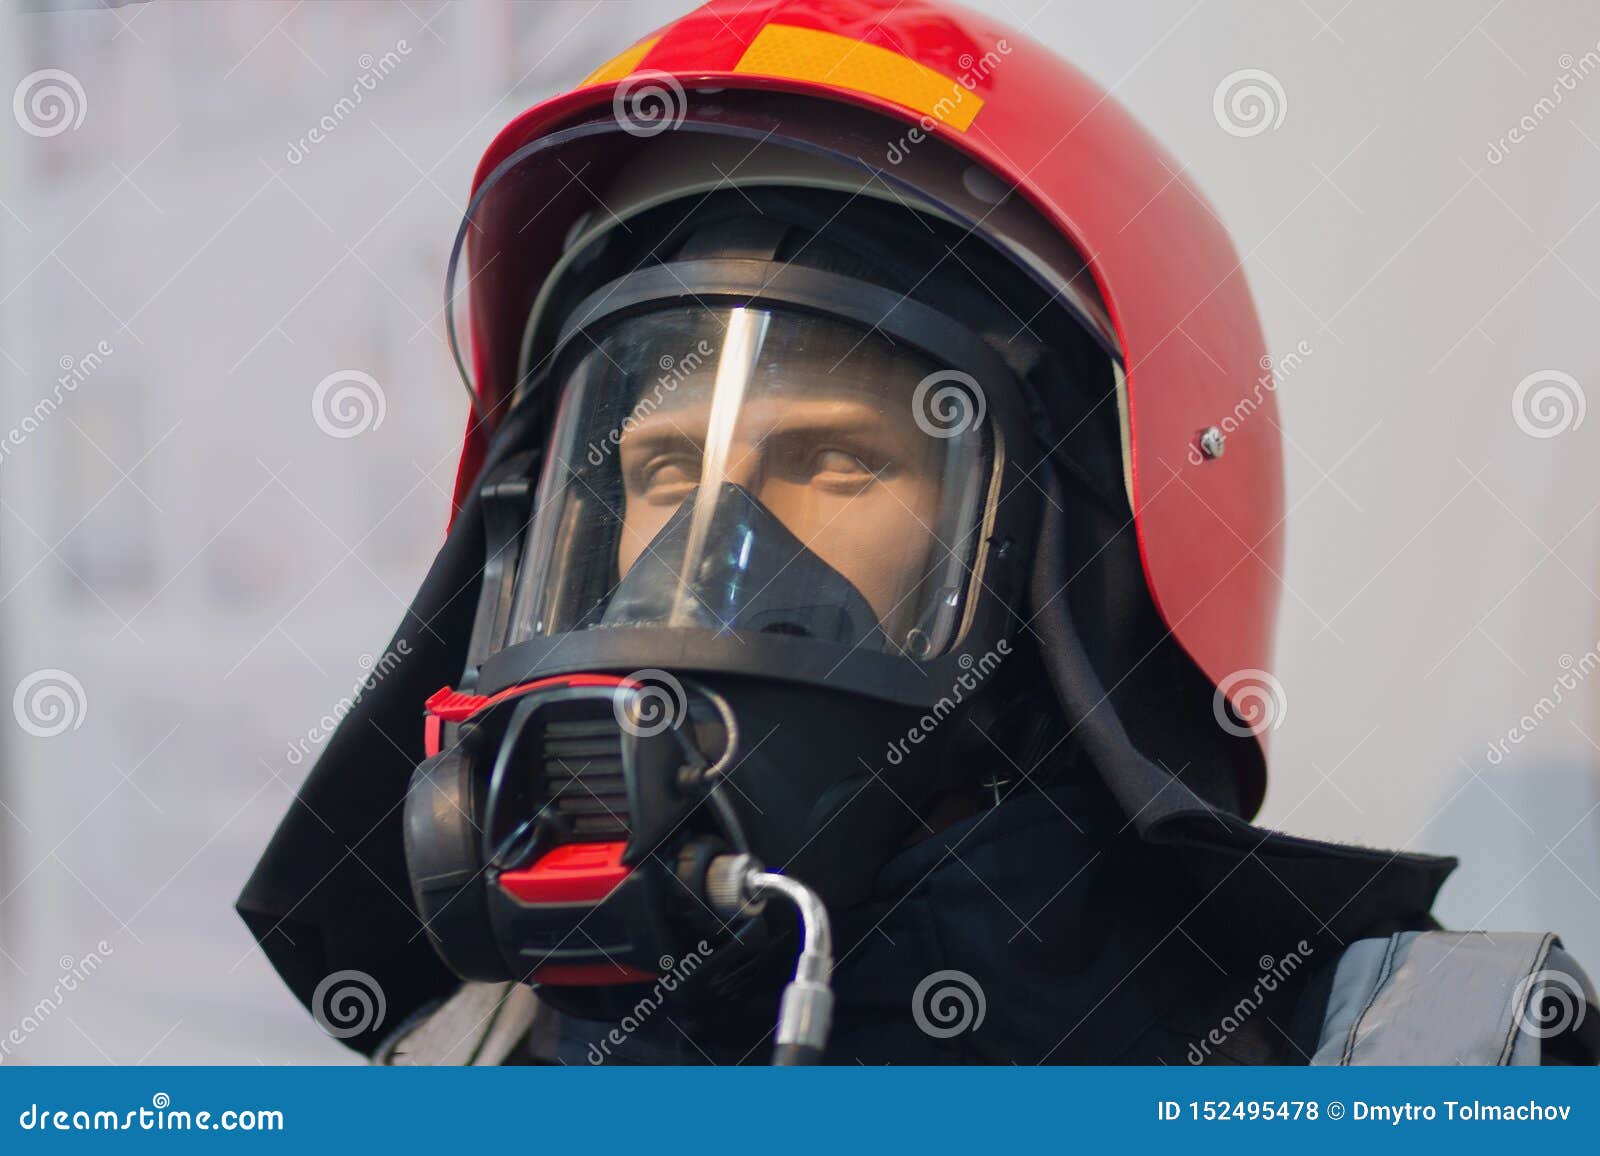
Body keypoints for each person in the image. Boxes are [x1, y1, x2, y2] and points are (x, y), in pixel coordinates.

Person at [239, 0, 1599, 1065]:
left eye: (832, 461)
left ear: (1081, 571)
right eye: (657, 471)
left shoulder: (1407, 1070)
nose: (703, 556)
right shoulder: (467, 1064)